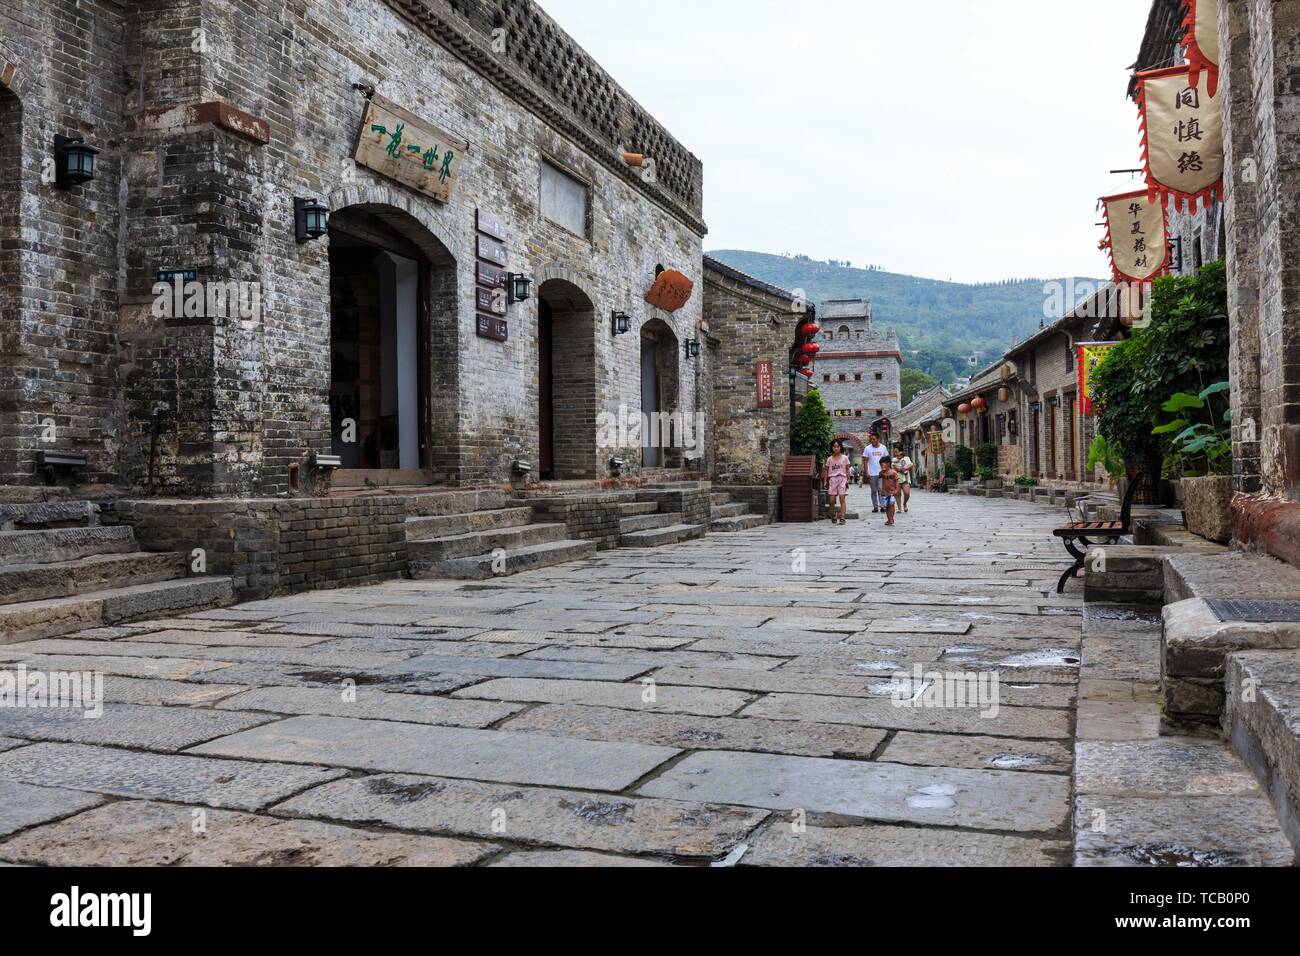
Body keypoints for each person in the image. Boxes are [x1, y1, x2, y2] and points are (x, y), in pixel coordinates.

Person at [823, 439, 851, 525]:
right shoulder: (829, 459)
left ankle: (842, 518)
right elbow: (826, 471)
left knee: (842, 498)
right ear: (832, 448)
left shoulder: (845, 458)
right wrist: (825, 481)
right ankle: (833, 515)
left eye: (838, 446)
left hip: (842, 478)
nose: (836, 448)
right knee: (831, 501)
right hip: (832, 479)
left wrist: (848, 479)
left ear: (840, 447)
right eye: (834, 446)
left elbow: (847, 469)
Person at [863, 433, 887, 512]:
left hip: (881, 472)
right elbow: (865, 461)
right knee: (873, 490)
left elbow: (886, 460)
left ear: (878, 439)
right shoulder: (867, 448)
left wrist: (886, 470)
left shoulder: (883, 448)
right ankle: (875, 507)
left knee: (881, 489)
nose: (872, 441)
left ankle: (882, 506)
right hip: (872, 473)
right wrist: (866, 472)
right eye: (871, 439)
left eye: (874, 439)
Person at [879, 455, 901, 527]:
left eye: (883, 464)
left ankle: (891, 518)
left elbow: (897, 481)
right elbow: (878, 477)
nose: (882, 466)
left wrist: (896, 490)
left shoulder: (893, 472)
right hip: (885, 492)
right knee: (887, 506)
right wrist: (881, 472)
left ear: (888, 464)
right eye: (881, 465)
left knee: (891, 505)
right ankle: (889, 519)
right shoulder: (882, 473)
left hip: (892, 492)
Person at [893, 445, 913, 513]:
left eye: (897, 452)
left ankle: (904, 503)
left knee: (907, 493)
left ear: (901, 452)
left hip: (905, 478)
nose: (895, 454)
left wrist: (904, 468)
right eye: (895, 452)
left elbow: (910, 465)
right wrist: (904, 468)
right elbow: (896, 468)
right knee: (897, 494)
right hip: (897, 479)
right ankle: (899, 508)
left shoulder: (906, 458)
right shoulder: (894, 459)